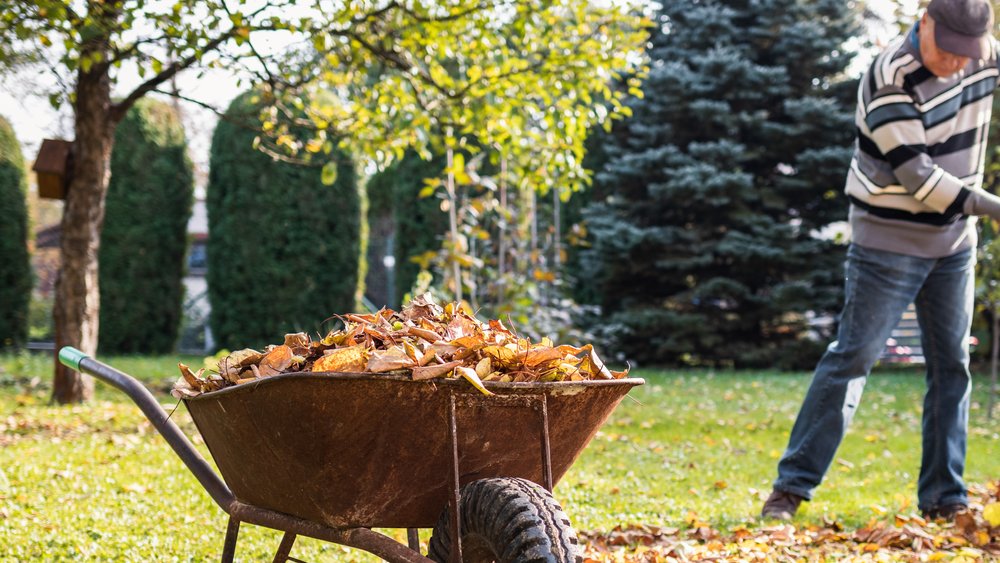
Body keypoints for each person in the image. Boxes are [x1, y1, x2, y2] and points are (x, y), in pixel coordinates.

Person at [761, 0, 1000, 521]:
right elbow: (920, 179)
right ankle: (789, 490)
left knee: (953, 366)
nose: (958, 62)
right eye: (950, 50)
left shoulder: (984, 56)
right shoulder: (889, 75)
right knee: (853, 360)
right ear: (925, 21)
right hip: (887, 242)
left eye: (969, 53)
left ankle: (944, 499)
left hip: (955, 244)